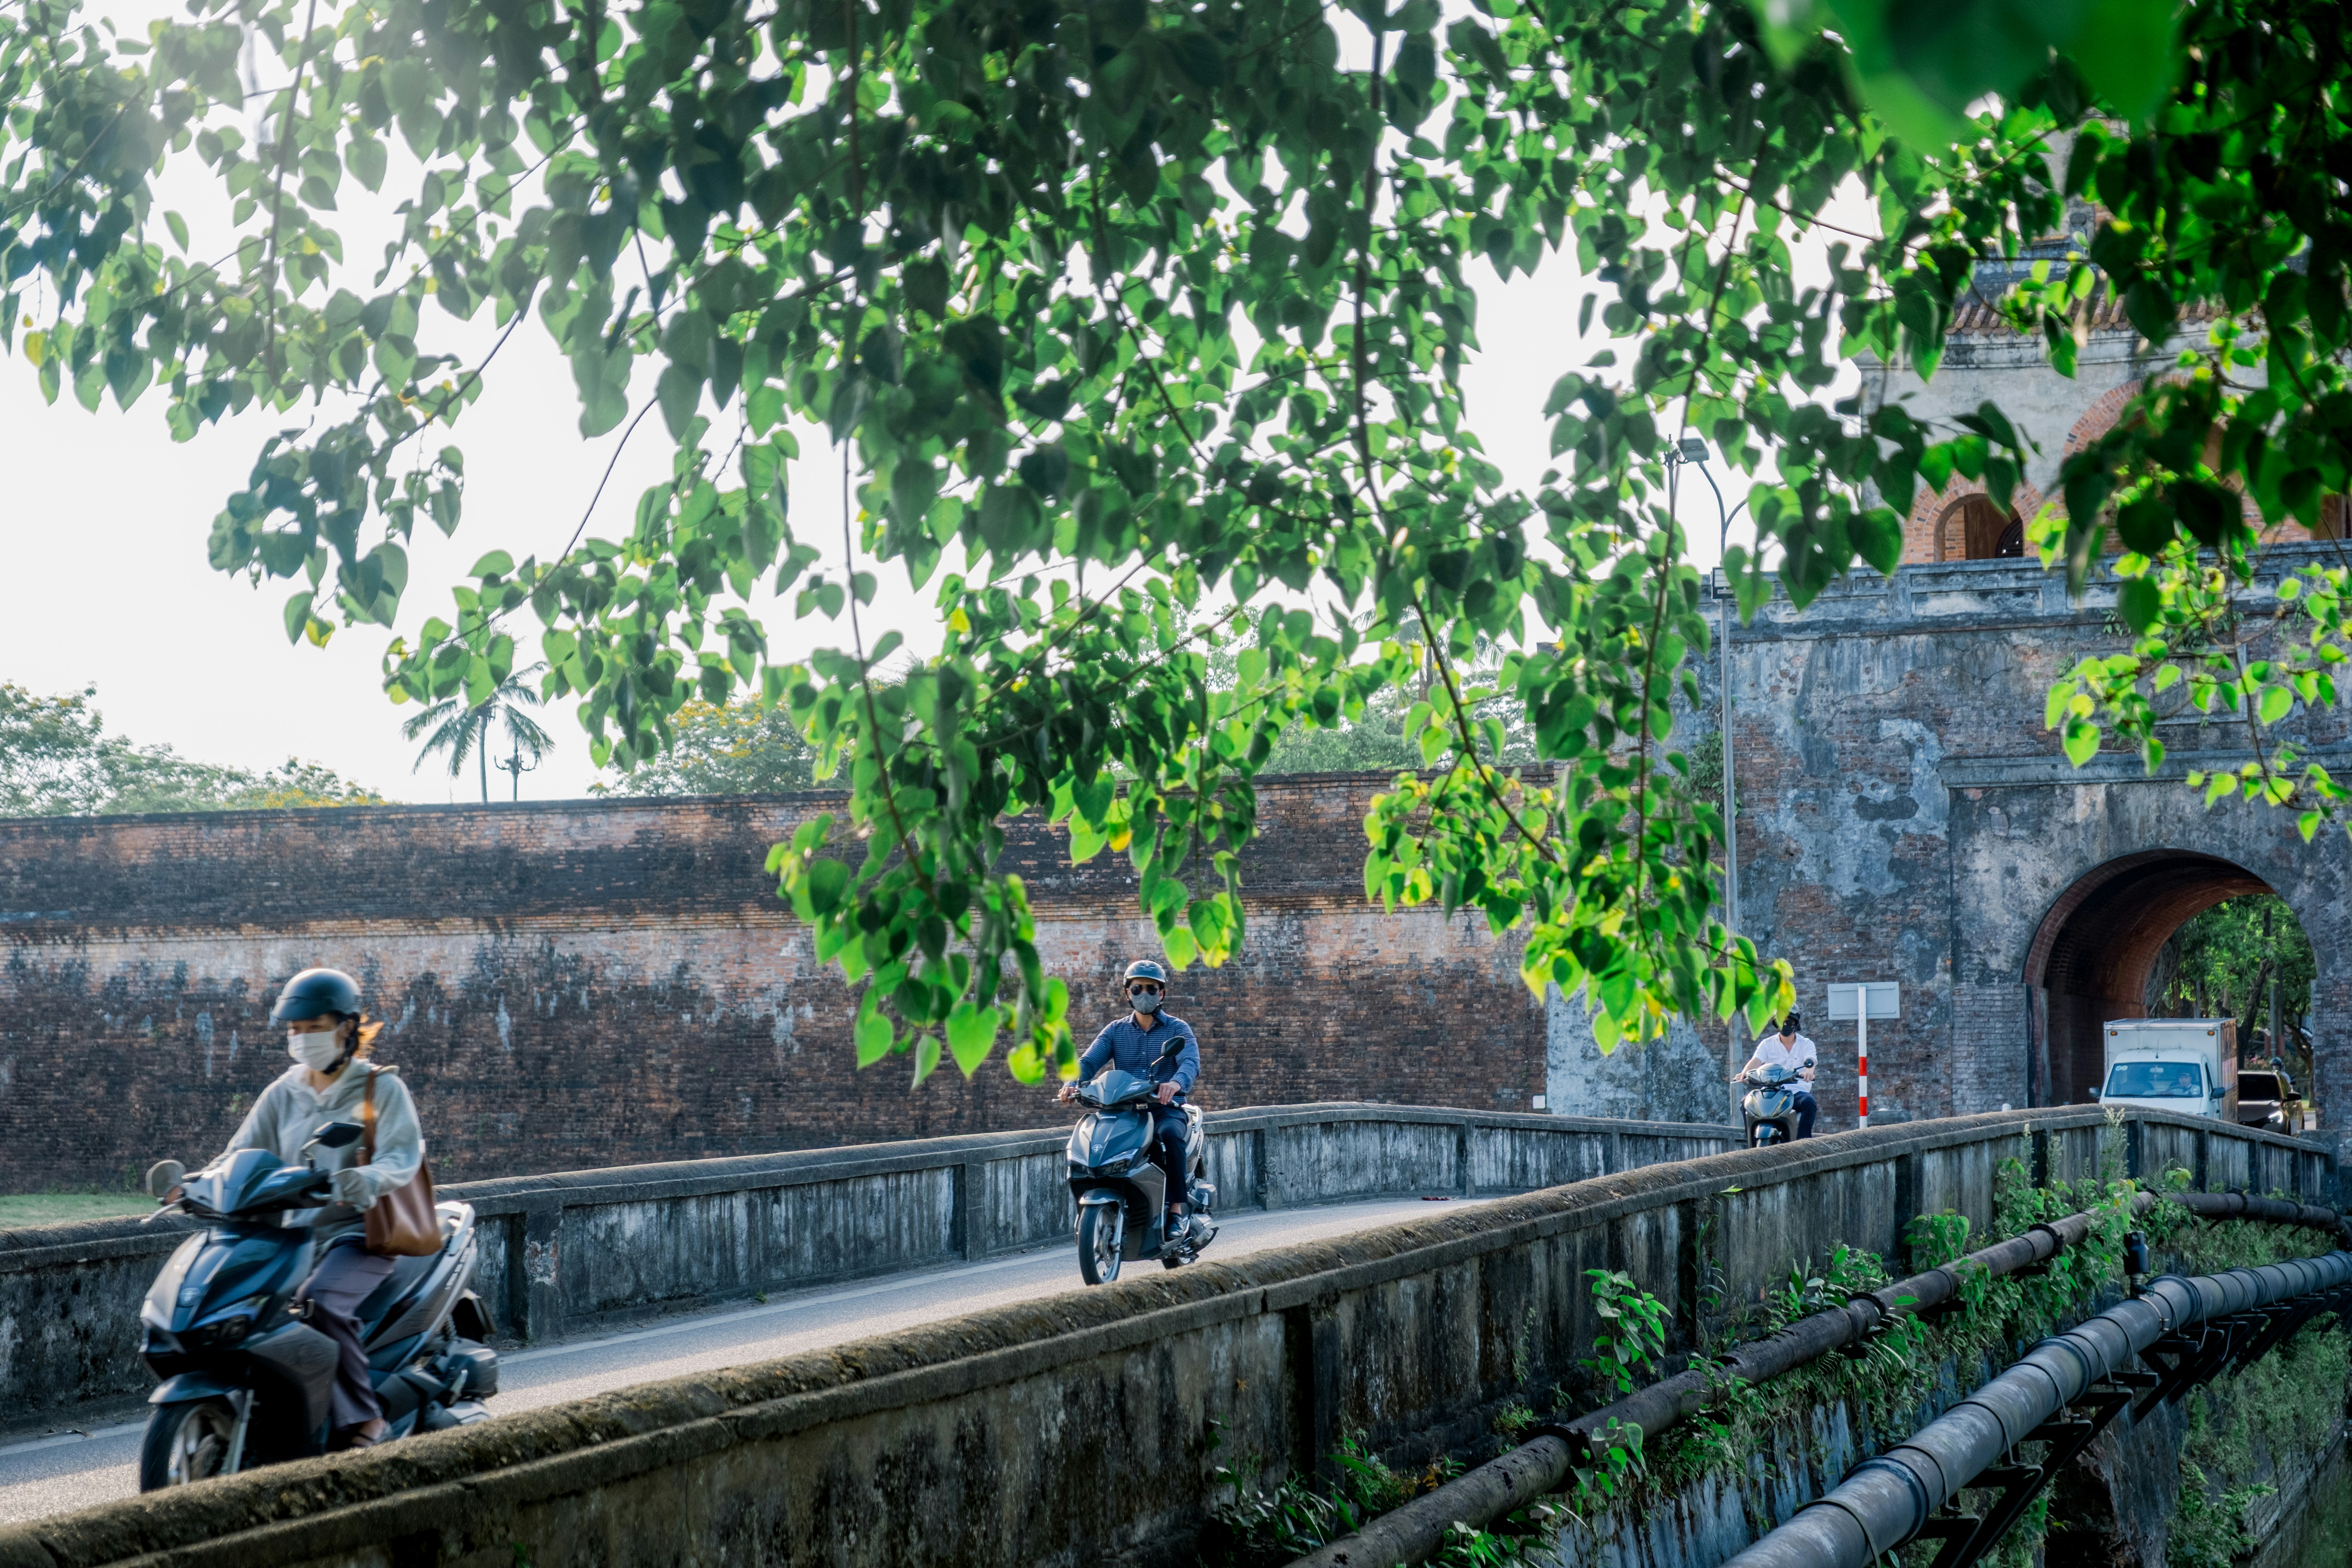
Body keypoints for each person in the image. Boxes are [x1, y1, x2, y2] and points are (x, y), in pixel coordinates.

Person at [217, 967, 425, 1451]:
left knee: (321, 1304)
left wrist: (366, 1178)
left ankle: (365, 1420)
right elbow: (240, 1154)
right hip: (291, 1237)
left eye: (315, 1028)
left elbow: (402, 1156)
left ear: (347, 1029)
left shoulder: (379, 1090)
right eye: (296, 1030)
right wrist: (197, 1185)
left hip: (359, 1233)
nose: (303, 1039)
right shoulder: (283, 1093)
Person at [1058, 959, 1203, 1242]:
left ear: (1162, 993)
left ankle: (1176, 1210)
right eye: (1137, 988)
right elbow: (1088, 1062)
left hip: (1163, 1108)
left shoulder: (1177, 1028)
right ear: (1128, 993)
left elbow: (1190, 1062)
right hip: (1123, 1110)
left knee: (1171, 1136)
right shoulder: (1115, 1031)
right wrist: (1071, 1083)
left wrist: (1175, 1084)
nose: (1144, 994)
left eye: (1152, 988)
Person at [1739, 1012, 1819, 1139]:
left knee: (1809, 1103)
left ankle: (1804, 1143)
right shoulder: (1767, 1044)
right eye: (1781, 1021)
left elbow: (1811, 1060)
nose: (1785, 1025)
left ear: (1796, 1024)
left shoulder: (1807, 1044)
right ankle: (1751, 1140)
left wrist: (1809, 1074)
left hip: (1796, 1094)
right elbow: (1756, 1061)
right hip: (1772, 1093)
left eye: (1789, 1022)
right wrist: (1744, 1073)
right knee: (1746, 1102)